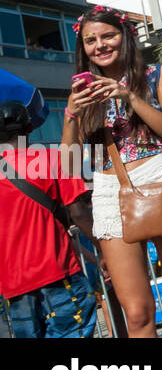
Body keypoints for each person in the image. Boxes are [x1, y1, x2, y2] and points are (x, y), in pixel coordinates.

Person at [59, 5, 162, 338]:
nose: (99, 45)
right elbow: (69, 163)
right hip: (109, 194)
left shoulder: (157, 73)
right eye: (90, 40)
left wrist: (128, 96)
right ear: (83, 47)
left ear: (125, 37)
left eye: (108, 36)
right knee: (138, 313)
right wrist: (71, 115)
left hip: (158, 182)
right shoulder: (84, 95)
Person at [1, 98, 98, 338]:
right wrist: (103, 251)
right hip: (59, 273)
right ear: (30, 128)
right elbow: (78, 212)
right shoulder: (51, 159)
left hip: (14, 288)